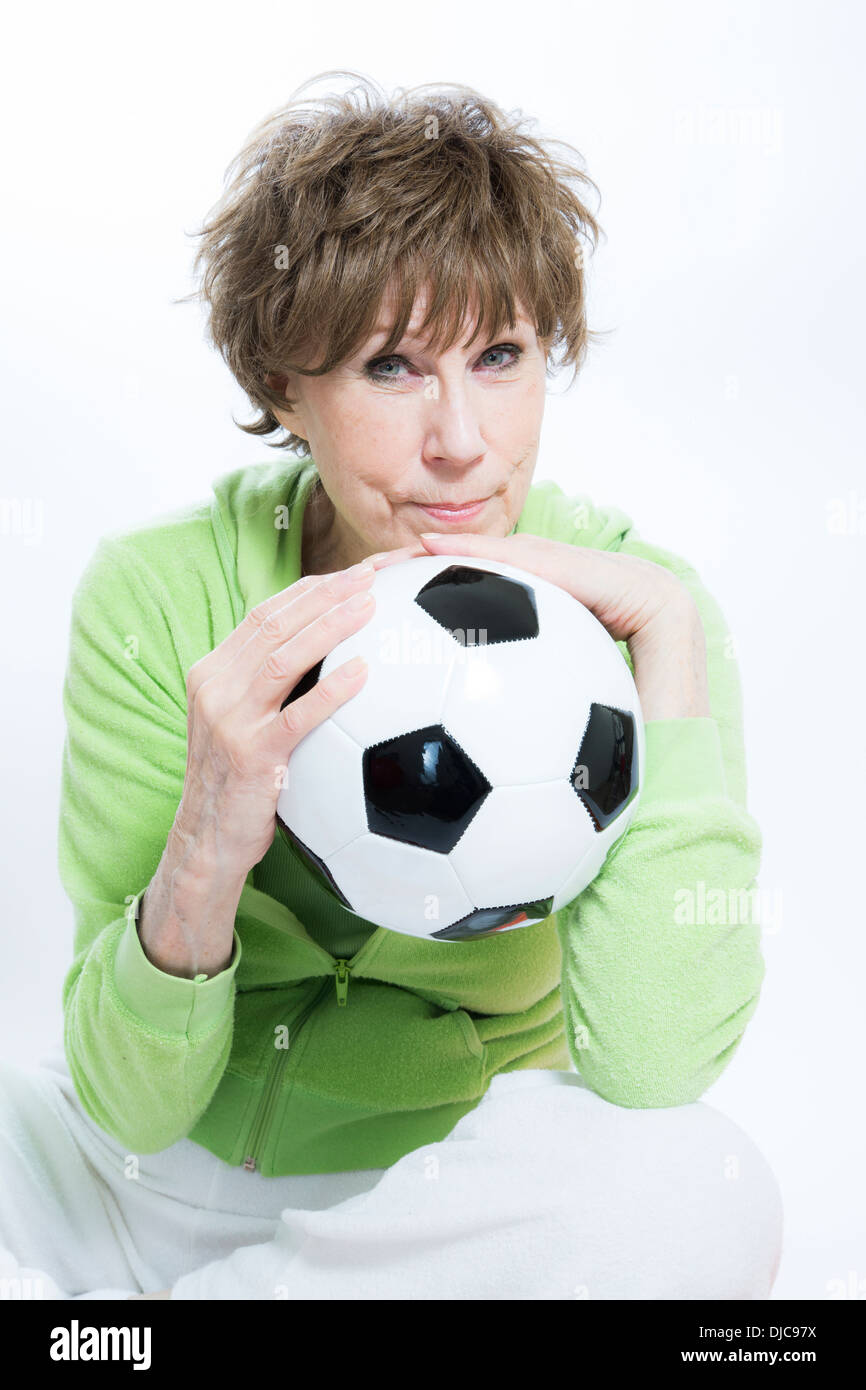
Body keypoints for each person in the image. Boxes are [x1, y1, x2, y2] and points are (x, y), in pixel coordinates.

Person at [0, 72, 782, 1301]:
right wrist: (206, 839)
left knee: (696, 1191)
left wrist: (667, 643)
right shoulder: (157, 595)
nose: (462, 442)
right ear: (282, 390)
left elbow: (655, 1064)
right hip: (140, 1180)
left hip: (439, 1211)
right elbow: (128, 1105)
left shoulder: (638, 605)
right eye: (392, 367)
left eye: (502, 354)